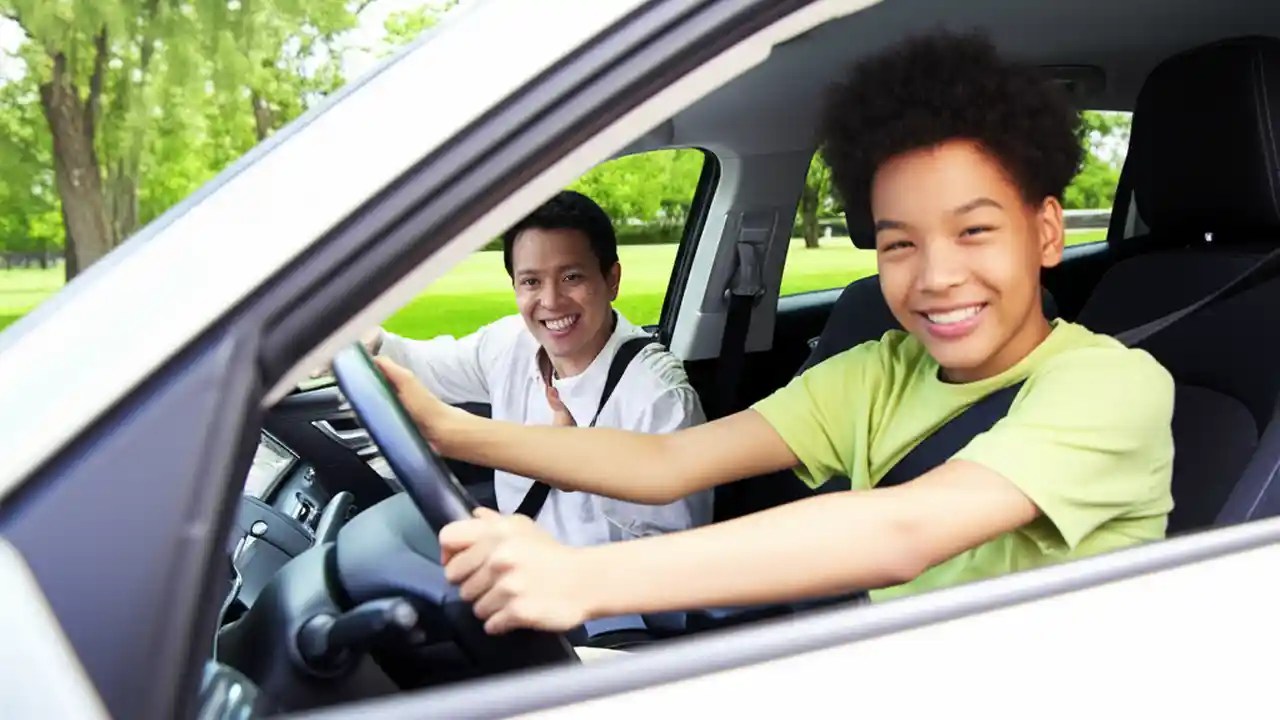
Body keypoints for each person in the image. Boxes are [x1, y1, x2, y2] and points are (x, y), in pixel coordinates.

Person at [374, 31, 1175, 637]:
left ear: (1044, 234)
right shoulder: (878, 369)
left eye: (974, 232)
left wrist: (584, 578)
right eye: (899, 242)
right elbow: (669, 461)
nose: (934, 276)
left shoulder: (1112, 384)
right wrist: (452, 430)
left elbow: (901, 532)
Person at [366, 189, 712, 547]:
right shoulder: (509, 343)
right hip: (515, 571)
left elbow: (677, 559)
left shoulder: (659, 400)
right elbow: (421, 366)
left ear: (611, 280)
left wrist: (581, 467)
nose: (550, 301)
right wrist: (369, 342)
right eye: (531, 282)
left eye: (571, 277)